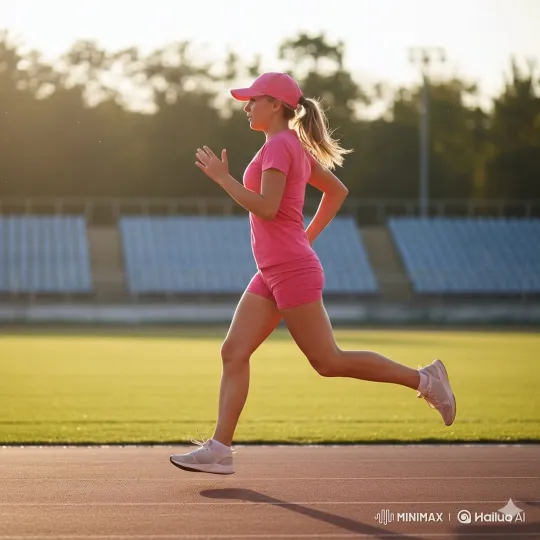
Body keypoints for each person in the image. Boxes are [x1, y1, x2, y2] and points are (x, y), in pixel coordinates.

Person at [169, 72, 456, 475]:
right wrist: (305, 237)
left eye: (254, 100)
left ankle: (425, 380)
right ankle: (220, 448)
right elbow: (337, 190)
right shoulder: (289, 146)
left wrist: (224, 180)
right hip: (274, 269)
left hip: (289, 269)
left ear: (276, 105)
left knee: (328, 361)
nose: (247, 106)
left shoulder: (281, 147)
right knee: (233, 352)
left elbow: (267, 208)